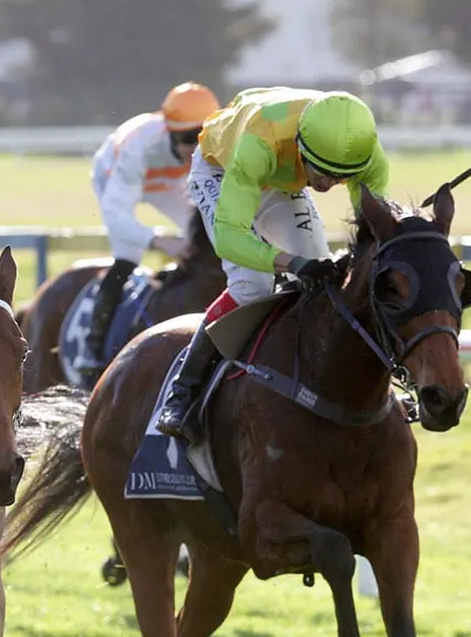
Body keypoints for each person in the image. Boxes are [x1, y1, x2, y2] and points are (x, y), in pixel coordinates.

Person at [155, 88, 390, 443]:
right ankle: (182, 391)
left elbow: (372, 230)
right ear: (301, 145)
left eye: (340, 178)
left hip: (283, 173)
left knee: (322, 275)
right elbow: (230, 239)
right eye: (323, 173)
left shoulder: (366, 155)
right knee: (253, 284)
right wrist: (291, 262)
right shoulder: (259, 142)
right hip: (223, 167)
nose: (328, 185)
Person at [83, 81, 220, 365]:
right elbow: (117, 217)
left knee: (203, 240)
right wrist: (158, 241)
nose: (195, 148)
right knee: (128, 255)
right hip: (115, 176)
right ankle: (92, 352)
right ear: (169, 132)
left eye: (202, 137)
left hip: (167, 184)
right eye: (187, 138)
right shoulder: (138, 147)